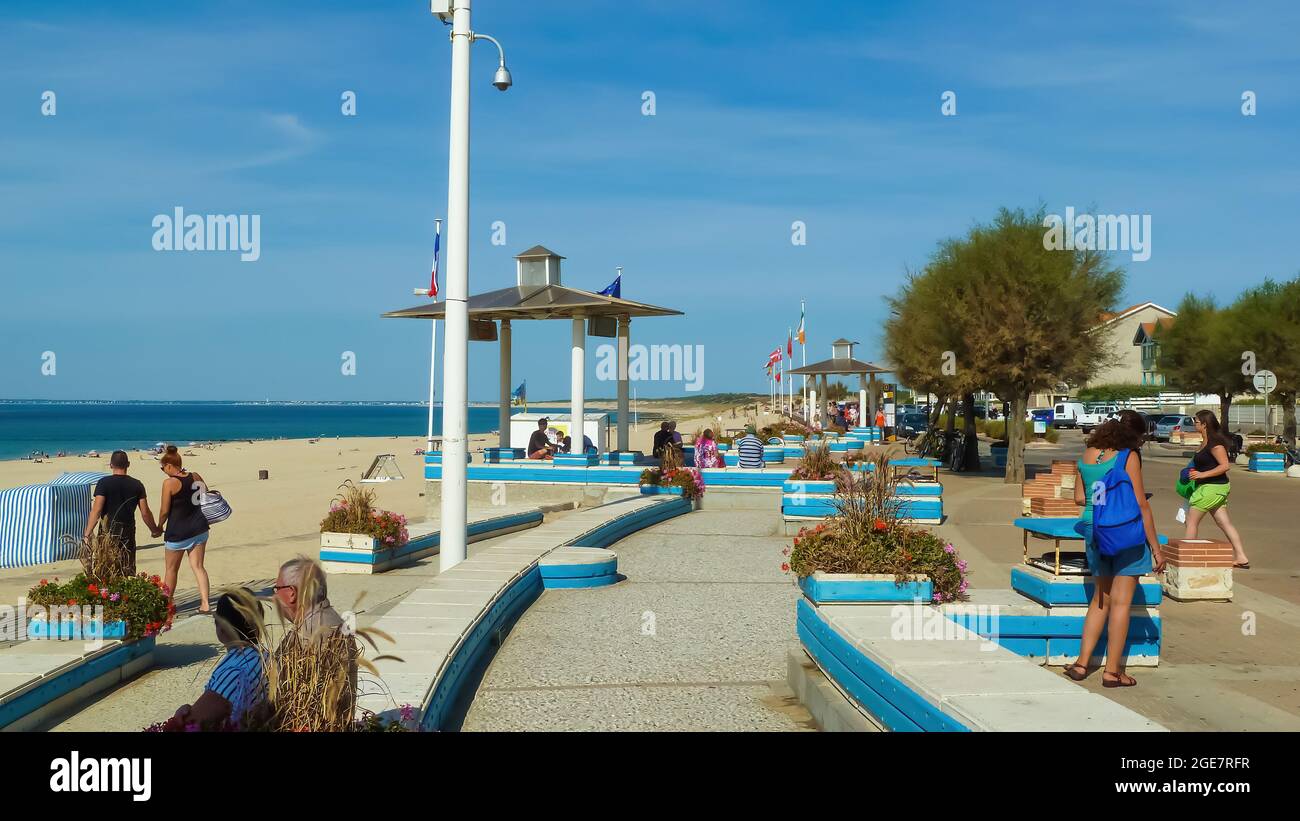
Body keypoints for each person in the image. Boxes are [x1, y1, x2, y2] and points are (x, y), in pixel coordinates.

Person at [1065, 410, 1165, 688]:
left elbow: (1080, 497)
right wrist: (1156, 549)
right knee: (1121, 604)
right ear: (1134, 435)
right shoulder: (1128, 456)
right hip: (1124, 533)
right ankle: (1112, 672)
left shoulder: (1088, 454)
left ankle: (1081, 664)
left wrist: (1102, 495)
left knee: (1100, 601)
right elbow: (1141, 505)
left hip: (1094, 531)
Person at [162, 588, 268, 731]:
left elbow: (192, 724)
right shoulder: (264, 657)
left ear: (222, 626)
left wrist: (179, 715)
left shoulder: (234, 672)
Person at [1185, 410, 1248, 568]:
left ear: (1205, 424)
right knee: (1224, 523)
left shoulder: (1215, 444)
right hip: (1211, 487)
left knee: (1191, 521)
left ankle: (1188, 558)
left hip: (1212, 488)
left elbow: (1225, 466)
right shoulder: (1204, 442)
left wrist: (1202, 474)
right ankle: (1241, 557)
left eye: (1196, 422)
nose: (1194, 424)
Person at [83, 450, 161, 575]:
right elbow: (145, 512)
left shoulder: (104, 483)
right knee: (127, 569)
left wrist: (87, 534)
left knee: (105, 570)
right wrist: (154, 529)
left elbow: (96, 510)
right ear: (128, 464)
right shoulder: (137, 484)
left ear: (111, 465)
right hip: (127, 532)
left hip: (107, 533)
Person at [158, 445, 211, 614]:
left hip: (178, 532)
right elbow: (206, 494)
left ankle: (167, 606)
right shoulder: (195, 476)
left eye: (162, 468)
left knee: (171, 570)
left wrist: (158, 526)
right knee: (198, 567)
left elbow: (164, 510)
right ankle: (205, 604)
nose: (163, 471)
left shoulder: (169, 483)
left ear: (169, 466)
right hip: (199, 528)